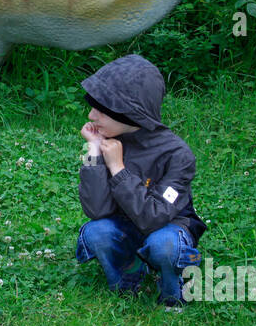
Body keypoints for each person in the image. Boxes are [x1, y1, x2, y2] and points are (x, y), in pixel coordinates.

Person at [76, 53, 208, 309]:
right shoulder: (109, 140)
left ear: (128, 114)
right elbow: (96, 210)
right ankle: (126, 283)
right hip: (125, 224)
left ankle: (173, 292)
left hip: (167, 227)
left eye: (100, 110)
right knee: (97, 232)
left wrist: (118, 168)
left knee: (164, 244)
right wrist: (93, 152)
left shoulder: (177, 155)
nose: (91, 115)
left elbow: (153, 218)